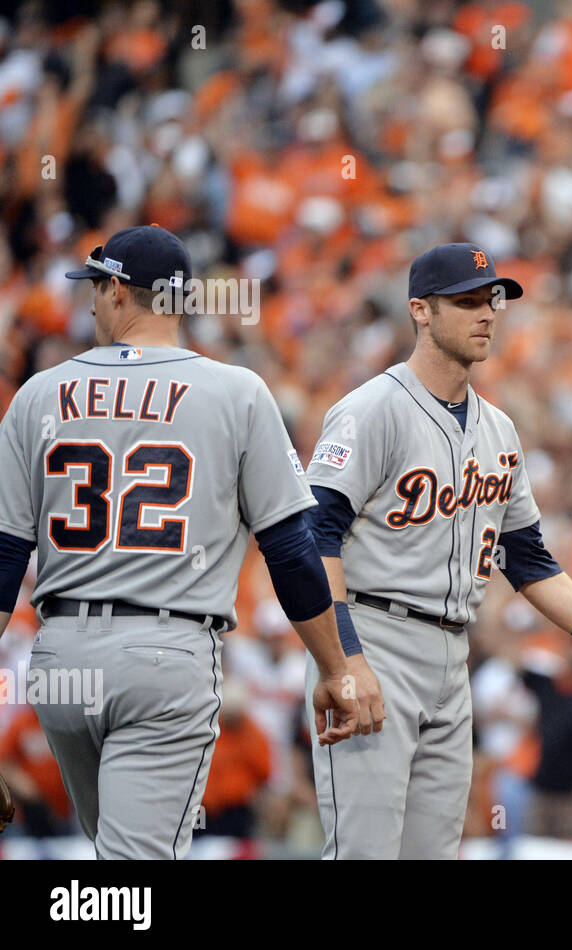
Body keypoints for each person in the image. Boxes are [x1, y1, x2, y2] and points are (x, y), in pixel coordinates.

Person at [0, 225, 380, 859]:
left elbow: (6, 559)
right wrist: (339, 668)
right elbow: (290, 553)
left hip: (62, 662)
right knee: (135, 871)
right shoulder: (236, 391)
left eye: (96, 287)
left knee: (114, 861)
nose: (91, 302)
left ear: (118, 290)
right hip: (164, 657)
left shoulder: (40, 392)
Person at [304, 242, 572, 859]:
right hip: (373, 637)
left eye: (491, 300)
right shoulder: (370, 410)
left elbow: (529, 562)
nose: (486, 314)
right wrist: (344, 661)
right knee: (362, 852)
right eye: (465, 302)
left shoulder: (498, 429)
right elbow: (315, 536)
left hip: (452, 655)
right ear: (420, 310)